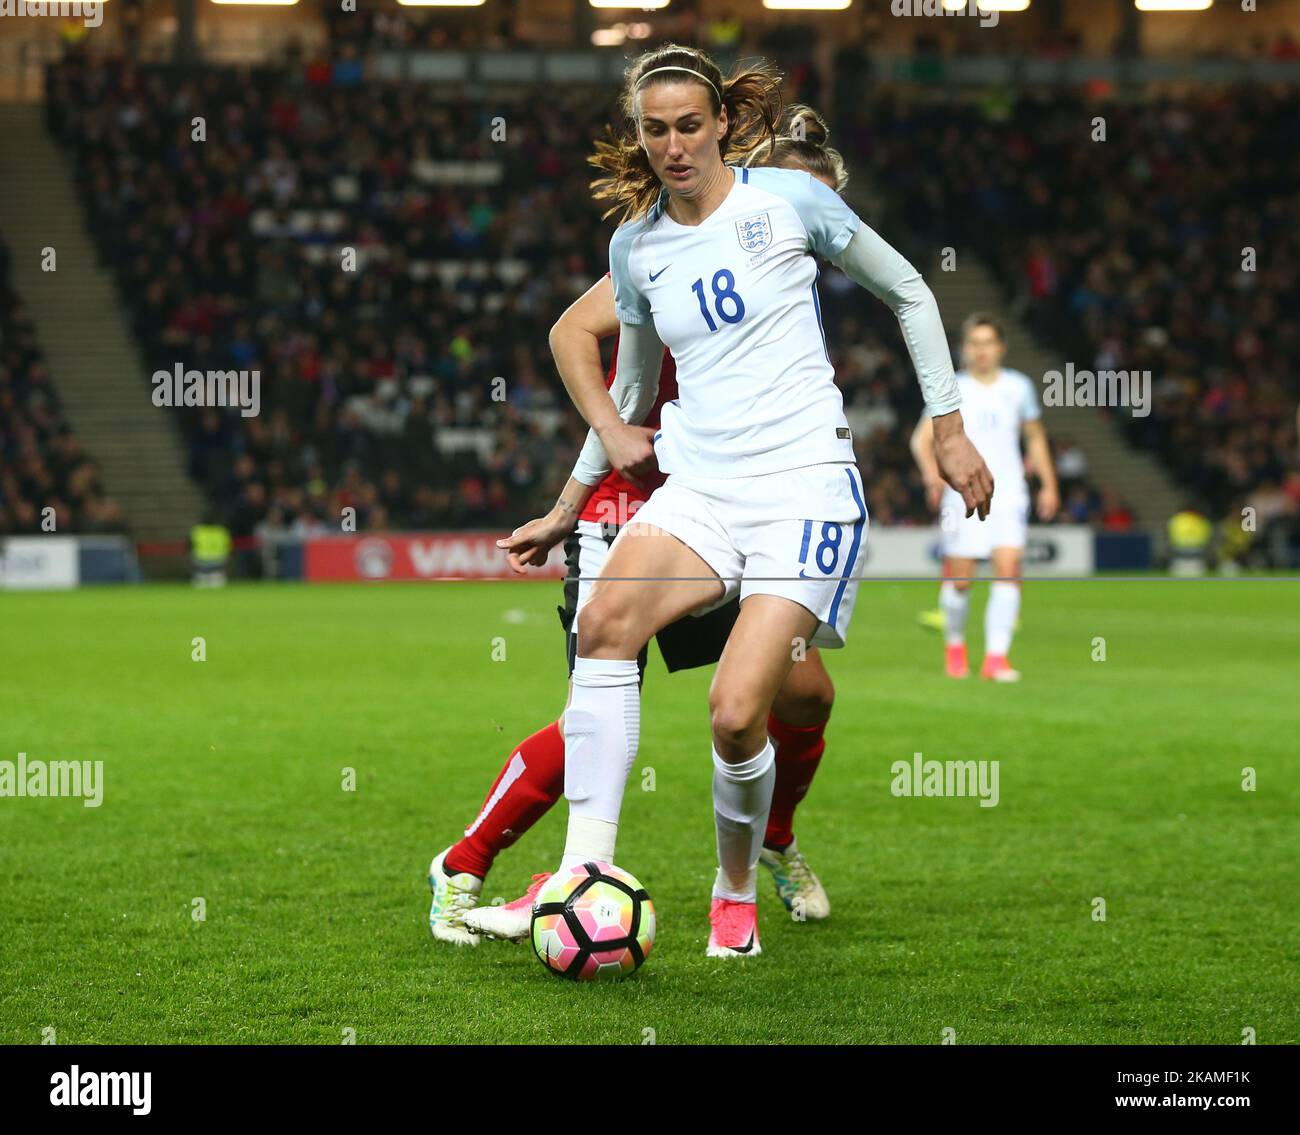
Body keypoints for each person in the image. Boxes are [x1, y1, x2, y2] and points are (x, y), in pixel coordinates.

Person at [488, 44, 990, 959]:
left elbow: (911, 292)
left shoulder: (789, 200)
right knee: (604, 623)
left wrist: (949, 428)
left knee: (733, 712)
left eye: (690, 125)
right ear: (639, 136)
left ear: (722, 122)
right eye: (656, 130)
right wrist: (568, 505)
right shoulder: (636, 247)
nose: (674, 146)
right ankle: (584, 869)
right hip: (704, 489)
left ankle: (735, 886)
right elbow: (630, 389)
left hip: (804, 489)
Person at [428, 107, 849, 947]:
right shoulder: (675, 247)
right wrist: (593, 464)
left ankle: (772, 838)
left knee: (804, 694)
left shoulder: (789, 276)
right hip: (634, 511)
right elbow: (575, 334)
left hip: (742, 507)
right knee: (592, 720)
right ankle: (468, 866)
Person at [910, 313, 1057, 682]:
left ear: (1001, 347)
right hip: (962, 494)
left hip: (1009, 494)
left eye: (988, 342)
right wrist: (932, 475)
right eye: (974, 343)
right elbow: (920, 439)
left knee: (1008, 572)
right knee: (961, 581)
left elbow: (1035, 437)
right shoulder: (951, 388)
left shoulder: (1018, 387)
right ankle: (955, 647)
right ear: (964, 348)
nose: (981, 350)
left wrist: (1049, 484)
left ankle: (996, 659)